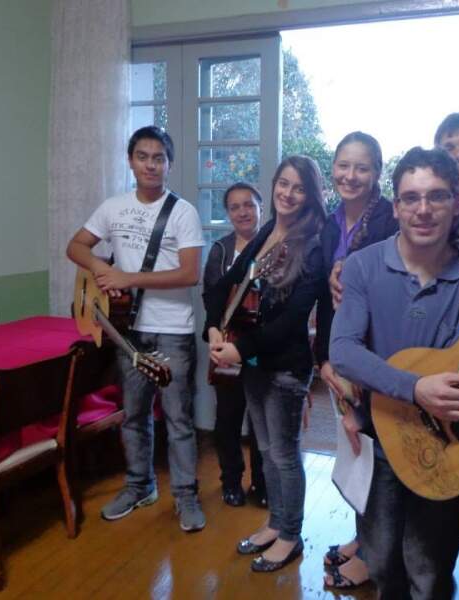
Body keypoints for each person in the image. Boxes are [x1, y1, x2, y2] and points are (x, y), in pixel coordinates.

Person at [330, 147, 459, 599]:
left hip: (448, 444)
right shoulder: (362, 265)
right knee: (380, 559)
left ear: (456, 203)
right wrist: (415, 387)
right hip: (379, 435)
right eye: (411, 197)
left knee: (430, 566)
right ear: (395, 206)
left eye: (437, 196)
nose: (423, 209)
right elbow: (343, 350)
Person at [67, 126, 207, 532]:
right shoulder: (113, 207)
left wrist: (128, 278)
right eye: (142, 156)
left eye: (158, 157)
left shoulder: (183, 212)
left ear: (169, 164)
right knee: (133, 415)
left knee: (178, 419)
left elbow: (190, 273)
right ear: (130, 161)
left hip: (173, 331)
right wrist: (103, 269)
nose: (150, 164)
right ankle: (139, 485)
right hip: (126, 328)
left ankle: (186, 496)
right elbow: (75, 246)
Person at [204, 155, 327, 573]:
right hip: (255, 361)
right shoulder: (265, 234)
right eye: (283, 183)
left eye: (299, 187)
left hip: (287, 366)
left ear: (310, 195)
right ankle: (275, 522)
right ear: (274, 185)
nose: (288, 193)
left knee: (285, 454)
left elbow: (293, 319)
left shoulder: (313, 245)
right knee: (267, 450)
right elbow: (224, 286)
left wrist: (240, 349)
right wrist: (213, 327)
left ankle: (290, 535)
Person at [314, 131, 398, 589]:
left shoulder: (389, 220)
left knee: (377, 453)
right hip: (341, 352)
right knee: (357, 449)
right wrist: (324, 358)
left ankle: (371, 555)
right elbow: (324, 299)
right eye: (343, 165)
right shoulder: (331, 222)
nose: (350, 175)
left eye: (362, 167)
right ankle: (364, 537)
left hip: (377, 353)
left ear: (377, 173)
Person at [202, 182, 266, 507]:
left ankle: (262, 483)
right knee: (228, 417)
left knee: (261, 419)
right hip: (227, 342)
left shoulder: (273, 245)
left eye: (249, 205)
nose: (243, 212)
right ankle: (230, 480)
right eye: (235, 207)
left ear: (260, 207)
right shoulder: (221, 250)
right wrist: (213, 329)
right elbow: (210, 295)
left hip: (262, 346)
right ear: (228, 213)